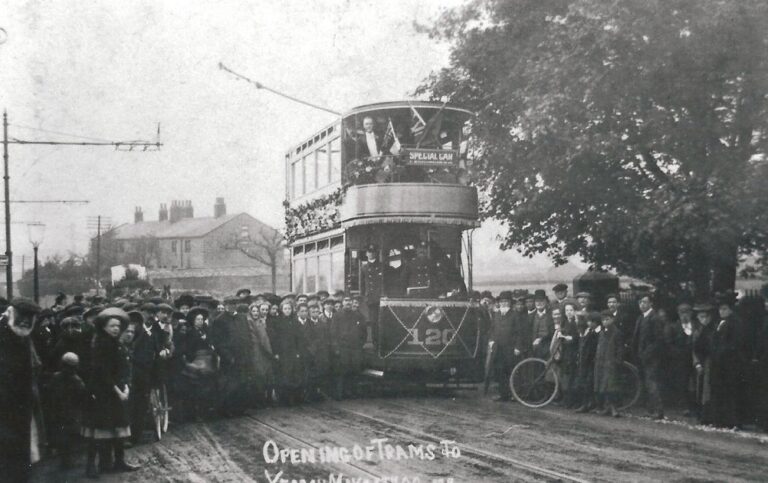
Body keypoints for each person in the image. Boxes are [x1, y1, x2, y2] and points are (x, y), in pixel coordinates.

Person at [83, 308, 139, 476]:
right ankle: (91, 465)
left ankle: (119, 461)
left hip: (118, 389)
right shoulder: (101, 344)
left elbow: (123, 368)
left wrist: (126, 386)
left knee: (118, 427)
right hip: (103, 392)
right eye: (111, 325)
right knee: (99, 429)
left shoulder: (117, 343)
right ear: (103, 327)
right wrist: (118, 391)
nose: (116, 329)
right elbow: (102, 373)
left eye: (118, 326)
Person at [0, 298, 43, 482]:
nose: (25, 320)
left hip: (21, 406)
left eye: (30, 317)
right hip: (4, 405)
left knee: (19, 455)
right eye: (22, 315)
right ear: (11, 312)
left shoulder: (23, 335)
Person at [48, 352, 87, 469]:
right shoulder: (77, 381)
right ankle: (68, 461)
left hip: (58, 412)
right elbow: (82, 397)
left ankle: (64, 460)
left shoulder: (55, 377)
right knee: (70, 438)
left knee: (62, 437)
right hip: (72, 414)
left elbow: (50, 395)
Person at [180, 308, 217, 421]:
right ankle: (196, 412)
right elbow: (188, 348)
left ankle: (205, 410)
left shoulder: (205, 331)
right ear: (193, 321)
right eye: (198, 319)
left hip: (207, 359)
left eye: (202, 319)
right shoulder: (190, 332)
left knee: (207, 385)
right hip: (196, 360)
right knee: (197, 387)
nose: (200, 321)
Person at [632, 295, 666, 420]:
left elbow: (658, 340)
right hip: (641, 356)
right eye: (640, 302)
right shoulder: (641, 318)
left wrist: (647, 353)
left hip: (651, 357)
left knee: (652, 382)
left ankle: (658, 410)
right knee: (647, 382)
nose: (642, 305)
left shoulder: (654, 318)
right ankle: (650, 409)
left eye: (645, 302)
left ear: (651, 303)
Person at [329, 295, 367, 400]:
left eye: (350, 300)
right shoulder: (337, 316)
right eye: (346, 300)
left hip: (355, 349)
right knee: (341, 372)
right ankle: (340, 394)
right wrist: (336, 348)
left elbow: (364, 332)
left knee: (354, 370)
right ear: (342, 302)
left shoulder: (358, 316)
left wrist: (360, 345)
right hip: (342, 348)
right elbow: (333, 332)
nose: (348, 302)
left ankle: (352, 393)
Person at [270, 300, 304, 405]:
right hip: (283, 352)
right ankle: (284, 398)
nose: (287, 311)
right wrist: (276, 352)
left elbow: (299, 338)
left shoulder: (295, 322)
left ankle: (295, 397)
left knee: (295, 374)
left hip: (293, 351)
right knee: (284, 374)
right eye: (285, 309)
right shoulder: (277, 322)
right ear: (281, 310)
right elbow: (275, 339)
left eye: (289, 308)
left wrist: (298, 351)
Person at [488, 291, 519, 402]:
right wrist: (491, 340)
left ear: (510, 303)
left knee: (511, 371)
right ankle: (503, 394)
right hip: (498, 348)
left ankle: (513, 395)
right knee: (500, 371)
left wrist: (517, 347)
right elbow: (492, 329)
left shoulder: (515, 315)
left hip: (510, 349)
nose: (504, 303)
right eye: (502, 301)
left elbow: (519, 332)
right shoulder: (496, 315)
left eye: (506, 301)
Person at [593, 311, 623, 417]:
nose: (605, 322)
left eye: (607, 319)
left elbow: (620, 348)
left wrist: (618, 360)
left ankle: (614, 408)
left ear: (612, 319)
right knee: (603, 385)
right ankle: (607, 407)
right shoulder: (601, 332)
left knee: (611, 386)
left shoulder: (616, 332)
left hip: (611, 362)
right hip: (601, 361)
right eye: (603, 320)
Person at [551, 304, 579, 408]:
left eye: (571, 310)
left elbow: (575, 338)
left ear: (575, 311)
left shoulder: (576, 323)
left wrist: (563, 336)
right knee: (565, 376)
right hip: (566, 352)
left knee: (572, 377)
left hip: (573, 352)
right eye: (567, 310)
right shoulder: (565, 322)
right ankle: (566, 400)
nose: (569, 312)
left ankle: (571, 401)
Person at [692, 302, 716, 425]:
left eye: (706, 317)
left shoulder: (713, 330)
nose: (704, 319)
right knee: (699, 388)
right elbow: (693, 349)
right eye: (701, 317)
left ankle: (707, 415)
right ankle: (700, 413)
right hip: (700, 362)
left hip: (709, 362)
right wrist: (696, 363)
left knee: (707, 389)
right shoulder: (697, 331)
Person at [304, 302, 332, 400]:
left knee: (320, 373)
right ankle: (310, 393)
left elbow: (327, 337)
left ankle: (318, 392)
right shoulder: (307, 324)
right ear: (309, 313)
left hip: (321, 353)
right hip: (311, 352)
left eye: (317, 311)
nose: (315, 313)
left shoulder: (323, 324)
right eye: (313, 312)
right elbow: (306, 339)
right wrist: (312, 349)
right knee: (311, 374)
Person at [574, 312, 600, 412]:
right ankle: (586, 404)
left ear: (595, 322)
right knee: (585, 382)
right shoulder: (590, 332)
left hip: (593, 361)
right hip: (587, 361)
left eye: (590, 321)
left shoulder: (597, 333)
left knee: (589, 383)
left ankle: (589, 404)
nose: (588, 323)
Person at [360, 244, 384, 329]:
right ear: (366, 254)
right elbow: (362, 284)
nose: (371, 254)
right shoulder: (364, 267)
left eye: (373, 252)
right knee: (373, 321)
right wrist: (364, 296)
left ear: (376, 253)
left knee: (382, 320)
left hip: (381, 297)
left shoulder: (382, 266)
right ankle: (375, 341)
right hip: (371, 298)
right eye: (369, 252)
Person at [531, 289, 554, 359]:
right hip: (533, 348)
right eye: (537, 301)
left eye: (541, 301)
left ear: (546, 302)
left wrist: (541, 339)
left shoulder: (551, 315)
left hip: (548, 347)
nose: (539, 303)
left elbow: (553, 333)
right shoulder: (531, 316)